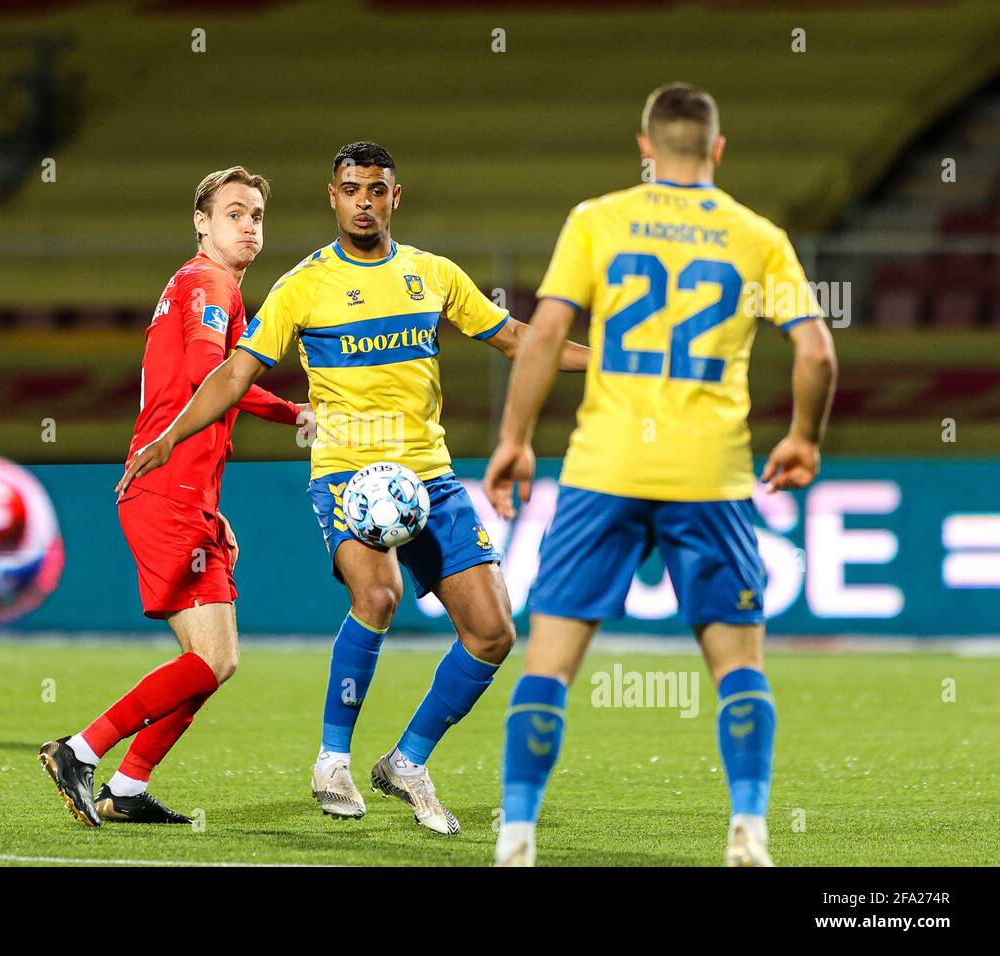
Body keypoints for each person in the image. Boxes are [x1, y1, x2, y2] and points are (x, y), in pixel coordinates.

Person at [122, 143, 587, 834]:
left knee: (492, 634)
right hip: (348, 474)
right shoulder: (302, 286)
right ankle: (332, 759)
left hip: (429, 476)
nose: (363, 201)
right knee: (378, 593)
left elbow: (520, 339)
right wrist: (169, 435)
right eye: (350, 189)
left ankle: (406, 760)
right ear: (332, 198)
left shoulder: (433, 274)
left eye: (376, 189)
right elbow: (232, 374)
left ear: (395, 197)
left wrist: (616, 365)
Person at [484, 83, 837, 866]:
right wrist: (804, 438)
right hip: (709, 476)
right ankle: (748, 829)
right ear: (717, 151)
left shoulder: (597, 220)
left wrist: (514, 437)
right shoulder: (758, 236)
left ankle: (516, 835)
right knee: (738, 667)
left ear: (644, 148)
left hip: (605, 467)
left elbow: (542, 337)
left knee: (549, 664)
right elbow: (815, 351)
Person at [39, 166, 312, 826]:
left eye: (257, 216)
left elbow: (202, 385)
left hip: (184, 494)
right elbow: (205, 377)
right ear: (202, 222)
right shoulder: (207, 284)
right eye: (235, 213)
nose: (250, 226)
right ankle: (81, 749)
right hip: (168, 492)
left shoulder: (201, 286)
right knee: (214, 659)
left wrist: (214, 509)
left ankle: (127, 788)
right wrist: (293, 412)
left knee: (212, 662)